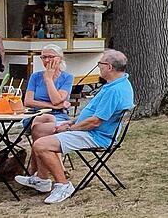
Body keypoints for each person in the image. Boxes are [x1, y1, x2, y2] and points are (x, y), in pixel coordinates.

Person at [17, 49, 134, 204]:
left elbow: (95, 122)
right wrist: (72, 122)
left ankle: (63, 185)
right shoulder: (116, 84)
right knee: (41, 133)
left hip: (97, 136)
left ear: (109, 67)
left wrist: (70, 129)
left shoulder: (115, 90)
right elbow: (92, 113)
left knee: (41, 145)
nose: (98, 66)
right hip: (91, 130)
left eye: (100, 63)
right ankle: (41, 179)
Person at [23, 44, 75, 143]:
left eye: (50, 57)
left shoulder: (67, 78)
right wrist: (53, 107)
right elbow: (28, 101)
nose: (47, 60)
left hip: (58, 116)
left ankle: (40, 152)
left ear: (60, 59)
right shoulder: (35, 77)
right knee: (45, 120)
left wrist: (48, 79)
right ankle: (47, 152)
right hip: (35, 114)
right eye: (44, 57)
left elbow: (56, 100)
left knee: (49, 120)